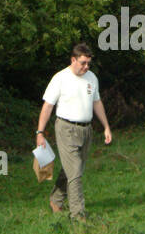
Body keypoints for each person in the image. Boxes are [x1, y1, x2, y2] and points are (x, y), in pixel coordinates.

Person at [36, 43, 112, 222]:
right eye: (83, 63)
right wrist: (40, 132)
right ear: (73, 60)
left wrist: (106, 126)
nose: (86, 67)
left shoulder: (92, 78)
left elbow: (97, 102)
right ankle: (78, 215)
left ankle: (55, 199)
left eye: (88, 64)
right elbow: (47, 106)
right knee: (75, 172)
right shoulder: (60, 78)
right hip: (66, 128)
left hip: (86, 130)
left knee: (73, 169)